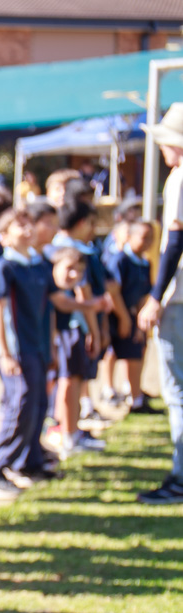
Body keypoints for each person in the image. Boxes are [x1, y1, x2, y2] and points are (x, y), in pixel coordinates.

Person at [0, 209, 54, 492]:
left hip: (38, 347)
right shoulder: (5, 268)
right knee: (20, 404)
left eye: (29, 224)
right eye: (19, 225)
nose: (27, 229)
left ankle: (30, 461)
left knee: (39, 404)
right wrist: (4, 351)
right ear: (4, 236)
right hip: (17, 349)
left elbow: (48, 309)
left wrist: (50, 347)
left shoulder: (39, 265)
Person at [136, 103, 183, 504]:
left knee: (177, 390)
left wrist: (155, 296)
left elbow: (175, 240)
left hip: (180, 298)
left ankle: (181, 478)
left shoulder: (180, 178)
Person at [47, 246, 105, 459]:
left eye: (80, 271)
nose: (75, 275)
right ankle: (66, 433)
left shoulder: (73, 293)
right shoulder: (52, 292)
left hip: (74, 333)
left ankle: (71, 431)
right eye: (70, 268)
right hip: (62, 337)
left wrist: (92, 331)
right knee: (67, 382)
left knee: (74, 382)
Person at [105, 219, 155, 415]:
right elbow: (113, 291)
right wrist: (125, 318)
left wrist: (140, 321)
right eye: (143, 237)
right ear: (130, 237)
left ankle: (135, 394)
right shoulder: (119, 260)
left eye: (151, 238)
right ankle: (121, 394)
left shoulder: (145, 262)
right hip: (116, 315)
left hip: (132, 315)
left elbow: (144, 294)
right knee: (116, 353)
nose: (148, 242)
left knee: (137, 350)